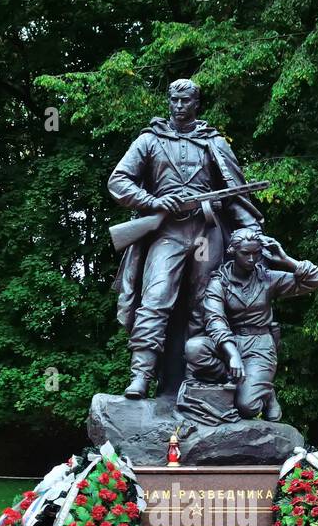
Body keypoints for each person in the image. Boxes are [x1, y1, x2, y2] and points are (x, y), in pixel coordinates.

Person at [108, 79, 263, 398]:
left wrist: (251, 229)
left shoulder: (213, 142)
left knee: (205, 304)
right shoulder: (150, 140)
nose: (179, 106)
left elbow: (234, 193)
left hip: (207, 232)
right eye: (174, 100)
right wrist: (152, 201)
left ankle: (196, 378)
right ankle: (141, 375)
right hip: (168, 232)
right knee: (155, 298)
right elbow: (119, 181)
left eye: (185, 101)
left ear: (196, 104)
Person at [185, 228, 318, 421]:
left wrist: (285, 260)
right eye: (246, 253)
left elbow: (316, 280)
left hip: (259, 345)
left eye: (256, 253)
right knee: (194, 348)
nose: (251, 259)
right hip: (230, 342)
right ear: (233, 251)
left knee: (248, 407)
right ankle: (238, 380)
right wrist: (232, 353)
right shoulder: (219, 282)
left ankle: (266, 394)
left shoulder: (268, 278)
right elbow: (214, 319)